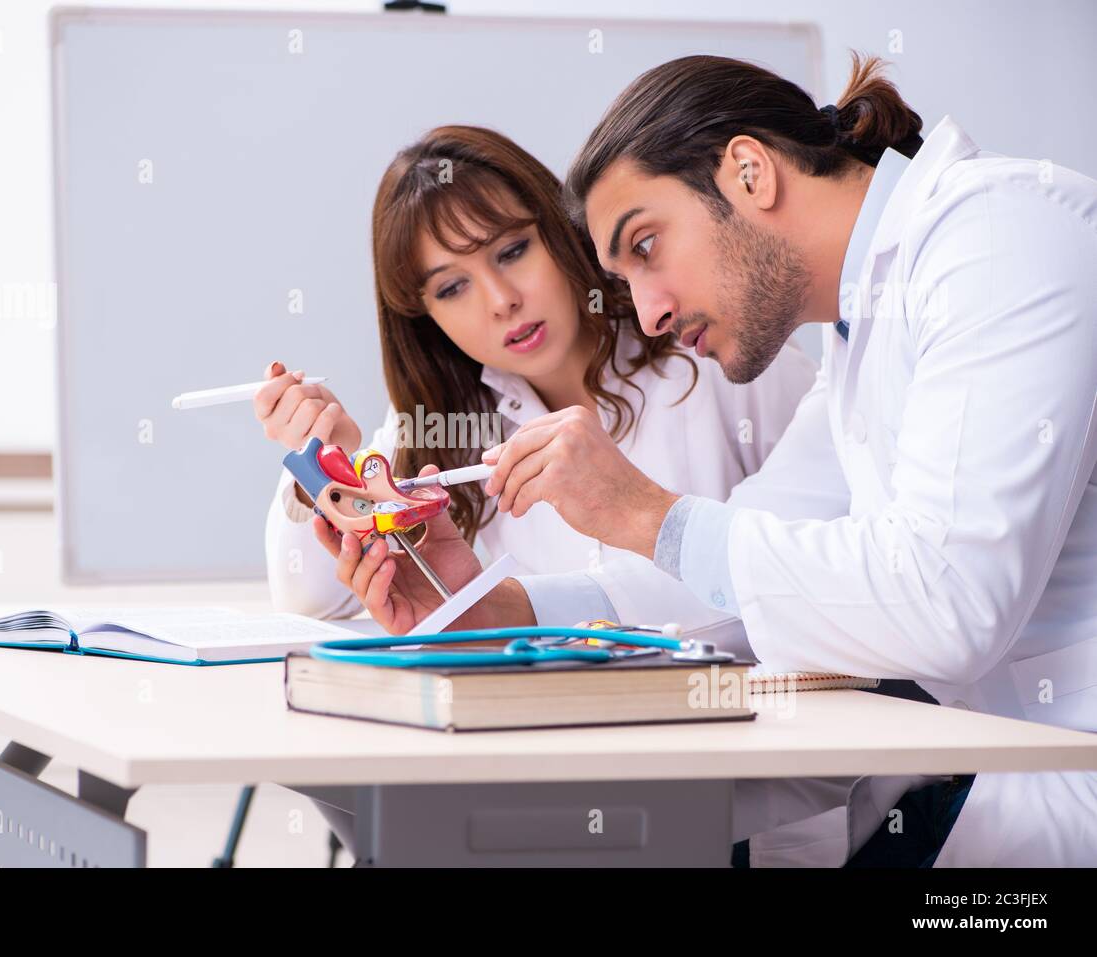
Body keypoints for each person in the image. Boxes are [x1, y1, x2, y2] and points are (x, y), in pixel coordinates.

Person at [327, 55, 1097, 867]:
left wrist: (644, 513)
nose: (649, 311)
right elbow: (737, 571)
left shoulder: (999, 237)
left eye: (647, 245)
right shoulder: (856, 339)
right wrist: (507, 609)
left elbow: (950, 605)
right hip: (980, 787)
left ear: (750, 171)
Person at [258, 125, 816, 639]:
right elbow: (308, 603)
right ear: (423, 317)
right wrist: (326, 466)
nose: (502, 301)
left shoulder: (712, 351)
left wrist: (517, 607)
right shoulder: (445, 416)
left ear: (561, 230)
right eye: (452, 288)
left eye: (513, 251)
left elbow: (811, 565)